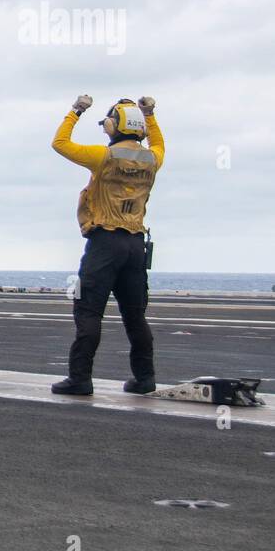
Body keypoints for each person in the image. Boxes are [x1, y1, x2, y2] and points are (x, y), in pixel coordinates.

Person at [51, 95, 164, 396]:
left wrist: (76, 110)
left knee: (87, 310)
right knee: (135, 316)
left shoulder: (103, 156)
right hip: (135, 245)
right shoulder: (152, 159)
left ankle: (80, 378)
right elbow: (159, 145)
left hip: (104, 243)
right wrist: (150, 114)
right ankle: (145, 378)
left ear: (115, 124)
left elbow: (60, 143)